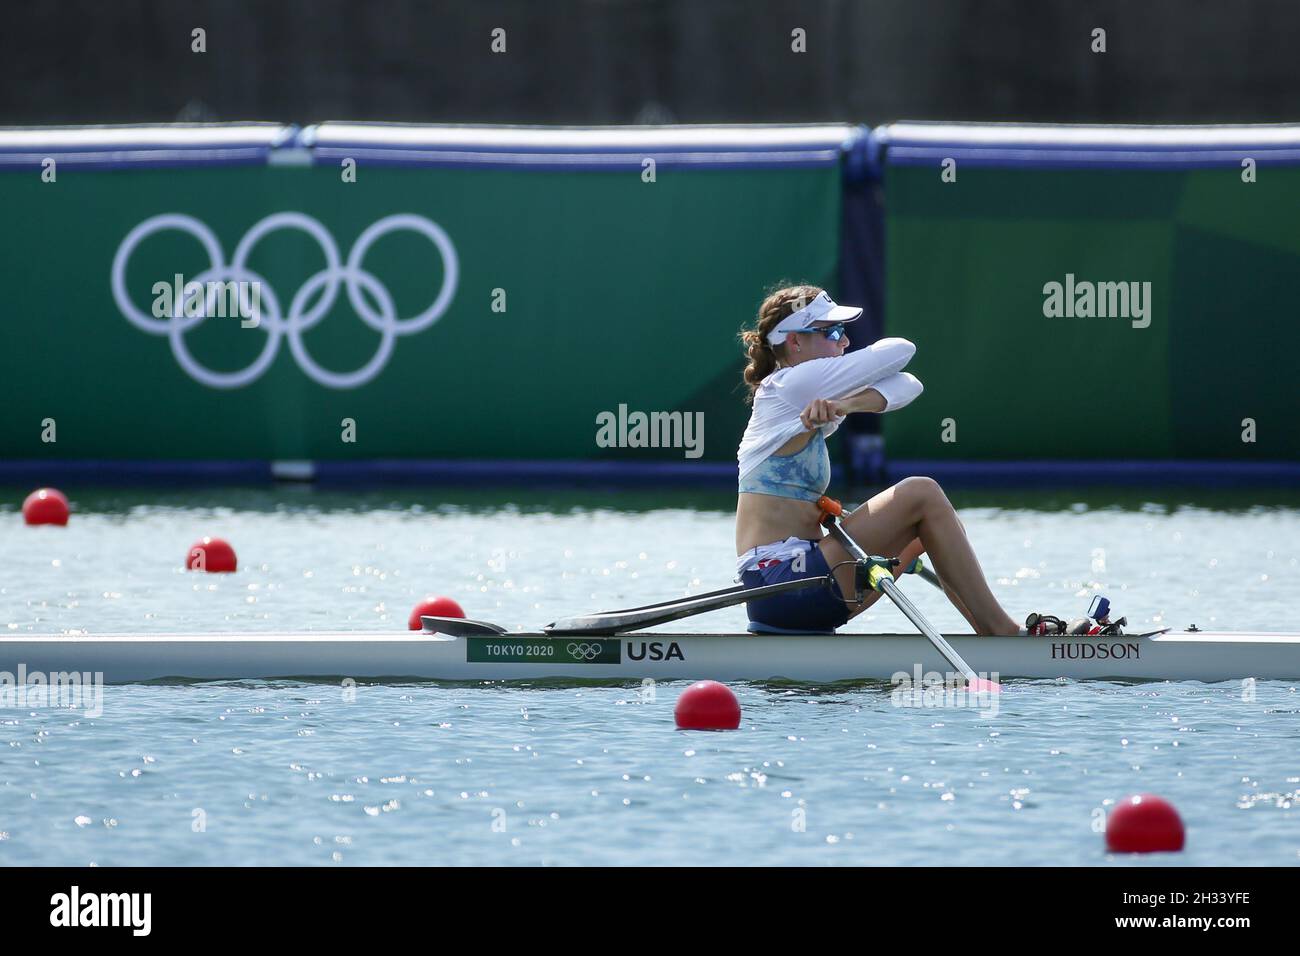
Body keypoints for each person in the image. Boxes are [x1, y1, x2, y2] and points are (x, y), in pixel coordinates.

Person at [735, 283, 1051, 636]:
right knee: (922, 493)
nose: (845, 342)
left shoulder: (806, 395)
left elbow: (909, 384)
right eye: (833, 331)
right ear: (795, 341)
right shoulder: (792, 385)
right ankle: (1002, 633)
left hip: (794, 584)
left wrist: (846, 405)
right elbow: (901, 350)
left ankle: (992, 634)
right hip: (782, 584)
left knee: (922, 533)